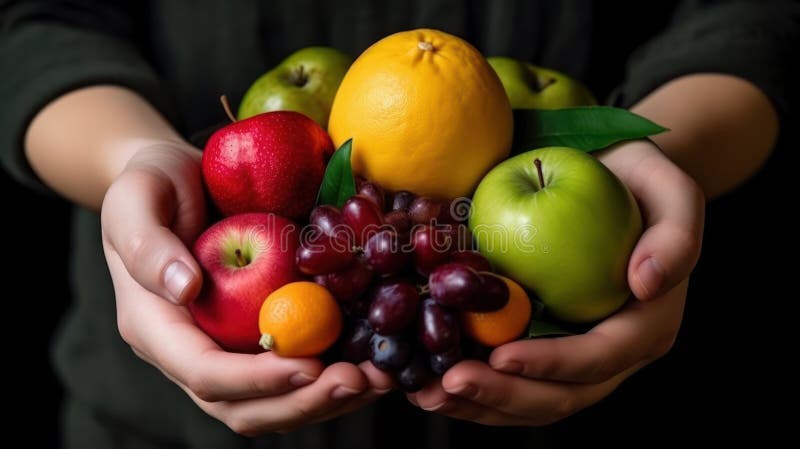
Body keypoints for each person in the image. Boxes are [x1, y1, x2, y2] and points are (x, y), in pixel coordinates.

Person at [1, 1, 796, 447]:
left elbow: (753, 21)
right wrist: (130, 158)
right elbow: (38, 23)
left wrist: (666, 159)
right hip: (156, 431)